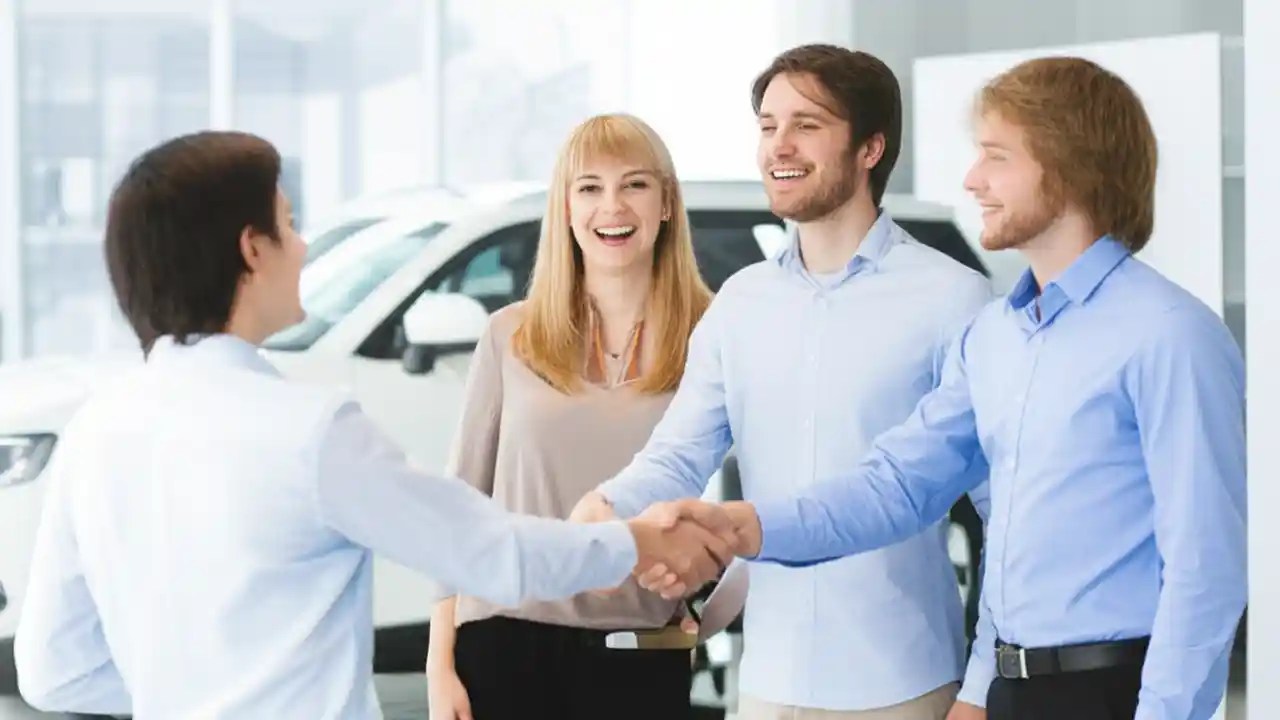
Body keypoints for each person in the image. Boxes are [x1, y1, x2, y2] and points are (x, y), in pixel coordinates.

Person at [12, 131, 734, 719]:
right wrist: (632, 541)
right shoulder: (310, 430)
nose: (303, 248)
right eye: (290, 225)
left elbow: (54, 673)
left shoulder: (93, 429)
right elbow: (487, 549)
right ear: (250, 249)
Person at [650, 56, 1248, 720]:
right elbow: (899, 487)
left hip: (1116, 691)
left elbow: (1206, 568)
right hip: (1015, 687)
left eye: (995, 156)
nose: (973, 180)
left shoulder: (1170, 334)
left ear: (1070, 163)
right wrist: (747, 526)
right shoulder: (993, 337)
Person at [571, 45, 993, 720]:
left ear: (870, 148)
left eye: (806, 124)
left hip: (907, 683)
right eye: (768, 126)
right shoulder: (740, 304)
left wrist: (981, 686)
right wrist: (601, 513)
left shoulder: (954, 301)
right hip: (768, 682)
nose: (779, 146)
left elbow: (1003, 516)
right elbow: (678, 456)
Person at [424, 113, 714, 720]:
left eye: (634, 185)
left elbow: (756, 496)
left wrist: (709, 604)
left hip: (639, 653)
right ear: (565, 207)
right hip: (502, 644)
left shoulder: (713, 335)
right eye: (590, 188)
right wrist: (439, 663)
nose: (613, 206)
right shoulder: (511, 335)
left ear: (666, 204)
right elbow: (460, 503)